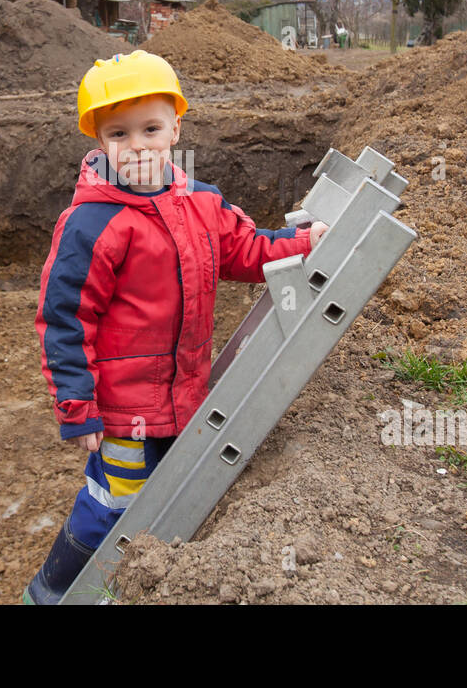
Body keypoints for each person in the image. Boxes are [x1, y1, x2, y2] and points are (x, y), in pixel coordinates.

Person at [22, 49, 329, 604]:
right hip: (121, 411)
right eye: (118, 133)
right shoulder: (92, 223)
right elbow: (65, 319)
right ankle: (52, 593)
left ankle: (139, 588)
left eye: (151, 128)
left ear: (176, 127)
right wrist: (77, 406)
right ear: (98, 142)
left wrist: (305, 243)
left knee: (170, 496)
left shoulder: (202, 204)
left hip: (185, 398)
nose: (136, 145)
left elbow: (248, 249)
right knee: (111, 506)